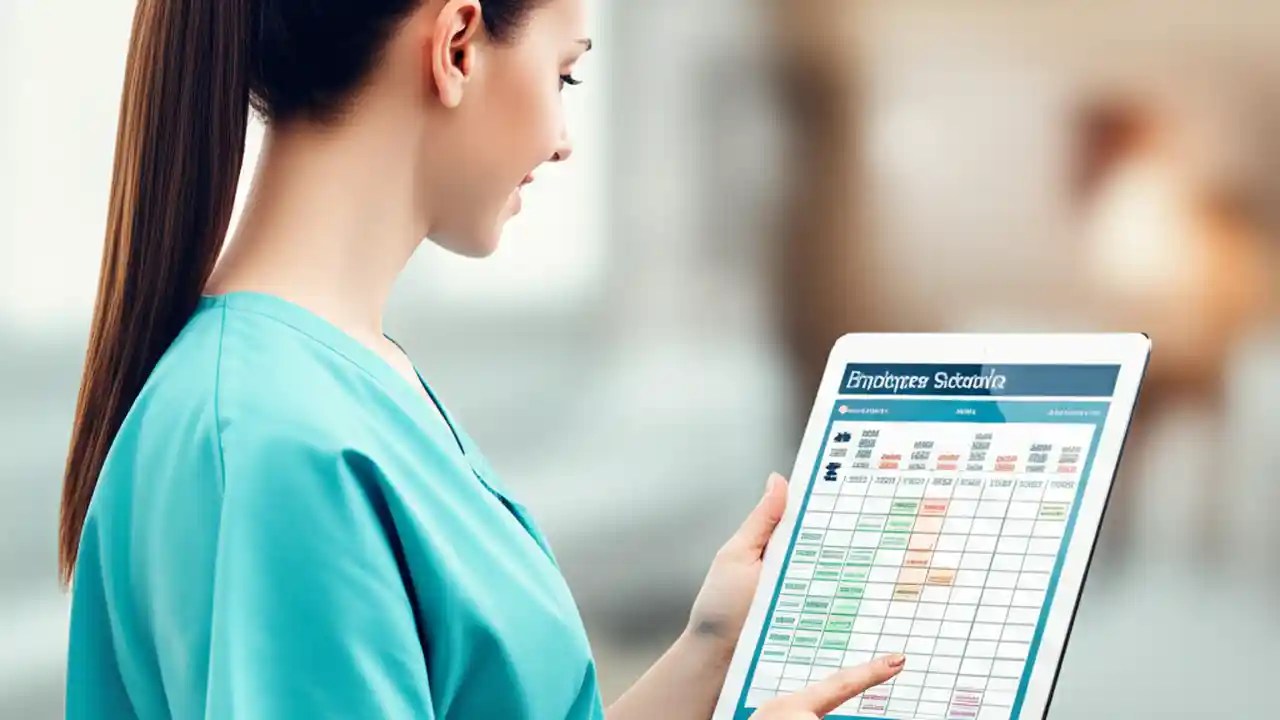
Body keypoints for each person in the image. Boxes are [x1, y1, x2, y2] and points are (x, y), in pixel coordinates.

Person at [58, 1, 904, 717]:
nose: (564, 139)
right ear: (457, 45)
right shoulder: (273, 442)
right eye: (564, 75)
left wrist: (707, 650)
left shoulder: (341, 381)